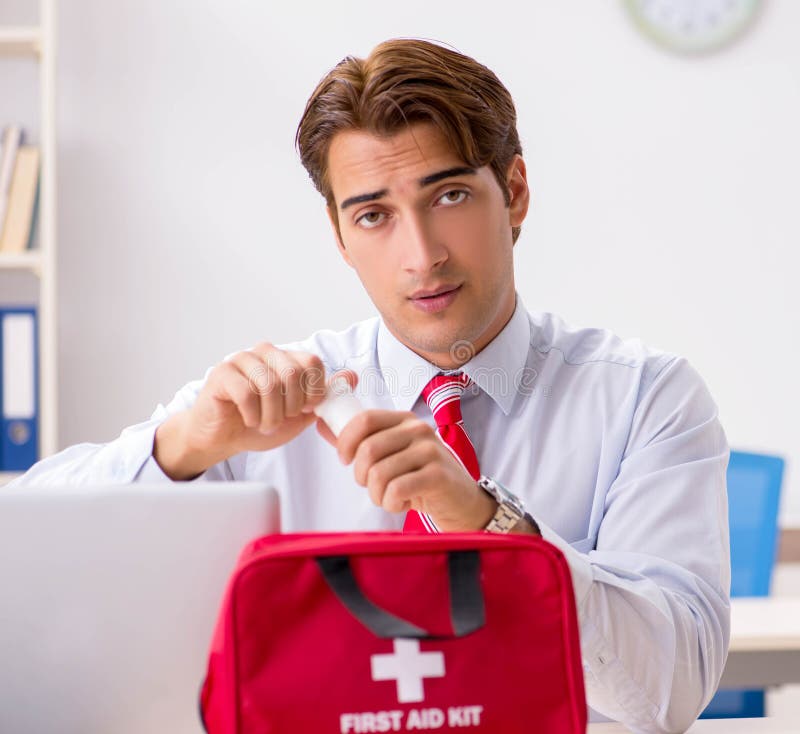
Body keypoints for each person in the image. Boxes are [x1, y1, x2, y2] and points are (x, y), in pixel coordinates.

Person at [10, 39, 730, 732]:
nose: (422, 256)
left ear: (513, 193)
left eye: (448, 195)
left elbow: (671, 695)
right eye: (374, 215)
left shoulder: (646, 399)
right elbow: (26, 555)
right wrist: (180, 447)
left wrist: (488, 528)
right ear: (339, 234)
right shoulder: (269, 402)